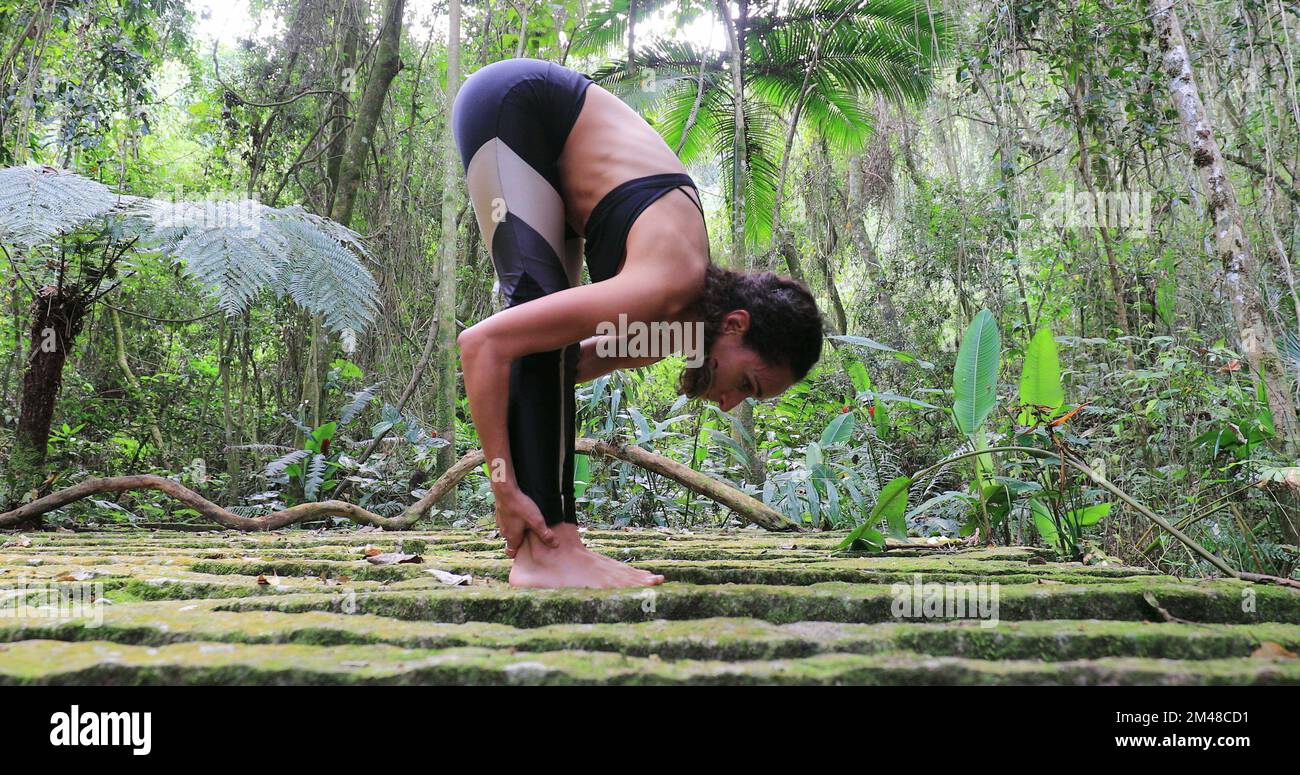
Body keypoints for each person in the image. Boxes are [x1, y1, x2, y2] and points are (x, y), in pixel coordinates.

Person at [452, 57, 823, 588]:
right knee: (531, 322)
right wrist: (502, 483)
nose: (729, 402)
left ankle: (558, 545)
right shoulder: (664, 283)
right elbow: (484, 346)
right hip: (515, 106)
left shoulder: (666, 328)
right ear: (736, 325)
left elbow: (551, 373)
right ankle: (546, 554)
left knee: (547, 349)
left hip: (557, 158)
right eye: (746, 383)